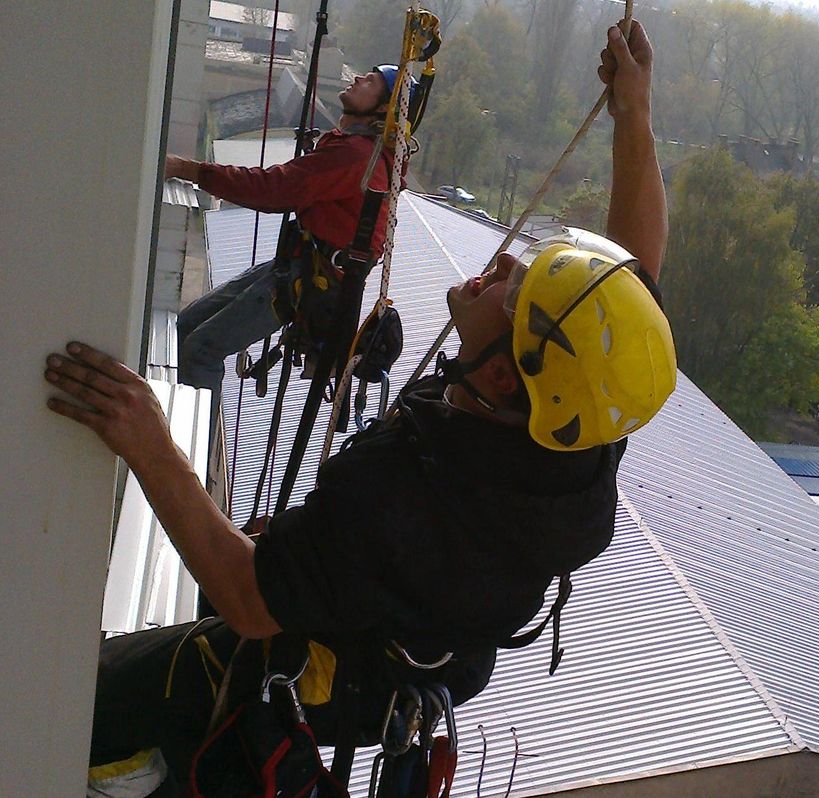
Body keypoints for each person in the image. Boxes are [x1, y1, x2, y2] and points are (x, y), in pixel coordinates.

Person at [48, 20, 672, 797]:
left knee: (81, 695)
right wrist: (635, 113)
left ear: (505, 377)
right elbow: (635, 270)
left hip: (321, 672)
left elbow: (247, 602)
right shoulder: (575, 431)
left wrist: (149, 441)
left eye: (519, 290)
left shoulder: (403, 497)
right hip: (403, 663)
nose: (507, 262)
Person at [167, 65, 403, 392]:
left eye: (371, 81)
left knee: (200, 350)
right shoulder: (358, 149)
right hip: (299, 266)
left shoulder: (357, 156)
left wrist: (188, 169)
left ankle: (181, 427)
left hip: (308, 281)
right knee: (185, 327)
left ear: (383, 108)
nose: (359, 78)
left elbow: (272, 189)